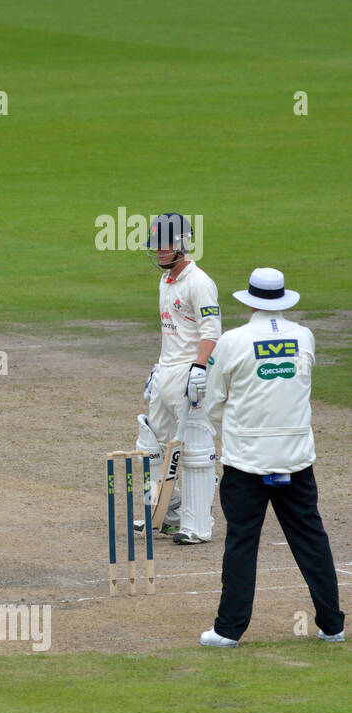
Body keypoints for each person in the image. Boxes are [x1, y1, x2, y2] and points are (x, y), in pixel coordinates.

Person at [198, 268, 344, 647]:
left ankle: (229, 630)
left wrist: (231, 430)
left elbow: (214, 401)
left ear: (249, 302)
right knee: (311, 539)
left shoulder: (232, 341)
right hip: (296, 457)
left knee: (242, 541)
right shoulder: (304, 336)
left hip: (246, 461)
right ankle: (333, 625)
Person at [134, 212, 219, 545]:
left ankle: (197, 526)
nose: (157, 252)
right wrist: (159, 371)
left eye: (163, 246)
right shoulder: (165, 281)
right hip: (166, 372)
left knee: (194, 449)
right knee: (153, 444)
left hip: (190, 375)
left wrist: (199, 370)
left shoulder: (200, 283)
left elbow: (211, 333)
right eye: (155, 246)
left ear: (182, 244)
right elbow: (172, 333)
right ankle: (165, 515)